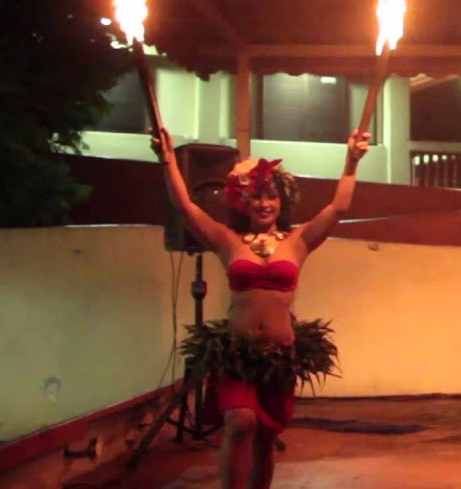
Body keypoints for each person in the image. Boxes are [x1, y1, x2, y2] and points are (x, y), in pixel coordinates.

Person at [153, 128, 367, 489]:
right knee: (240, 422)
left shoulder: (299, 241)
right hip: (237, 353)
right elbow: (186, 207)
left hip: (279, 357)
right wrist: (168, 160)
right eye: (255, 197)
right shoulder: (228, 240)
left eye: (270, 196)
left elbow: (339, 207)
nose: (264, 204)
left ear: (281, 202)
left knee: (265, 437)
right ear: (243, 202)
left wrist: (352, 161)